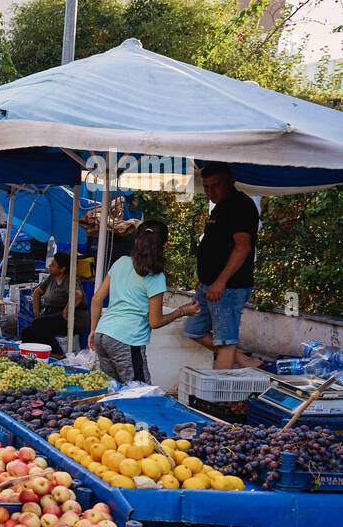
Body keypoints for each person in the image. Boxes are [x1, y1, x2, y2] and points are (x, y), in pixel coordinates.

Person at [89, 221, 200, 383]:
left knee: (112, 390)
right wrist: (182, 311)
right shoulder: (155, 277)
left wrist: (93, 330)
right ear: (164, 245)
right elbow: (155, 322)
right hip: (126, 339)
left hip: (102, 335)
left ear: (136, 240)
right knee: (140, 392)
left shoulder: (120, 262)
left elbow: (96, 299)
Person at [185, 162, 262, 369]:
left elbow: (242, 247)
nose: (210, 192)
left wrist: (220, 282)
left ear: (231, 182)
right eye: (207, 187)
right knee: (194, 330)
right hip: (208, 285)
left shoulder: (240, 205)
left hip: (229, 287)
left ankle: (218, 397)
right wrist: (205, 278)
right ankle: (244, 361)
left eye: (215, 186)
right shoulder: (220, 208)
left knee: (225, 342)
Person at [22, 252, 88, 355]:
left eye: (53, 264)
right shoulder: (52, 278)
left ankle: (57, 354)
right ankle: (32, 355)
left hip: (74, 319)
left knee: (39, 324)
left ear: (62, 269)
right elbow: (37, 293)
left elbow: (78, 295)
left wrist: (66, 311)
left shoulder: (70, 279)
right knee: (27, 331)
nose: (49, 266)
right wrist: (37, 313)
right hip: (53, 315)